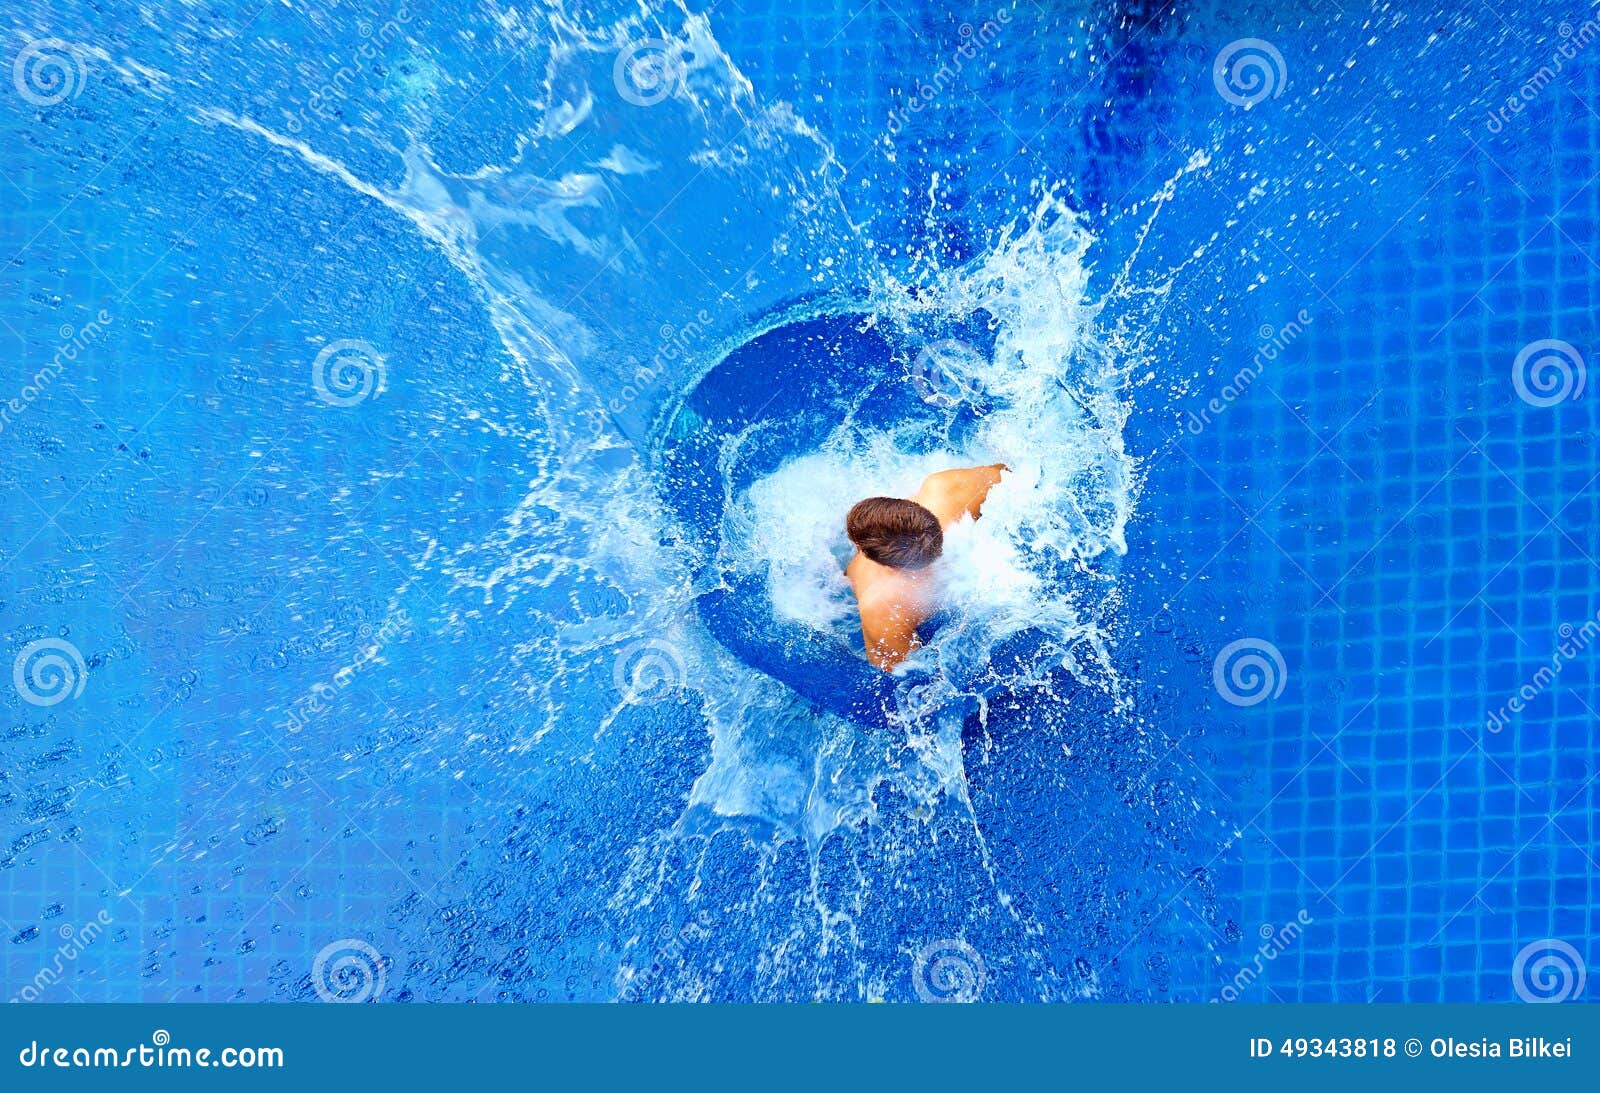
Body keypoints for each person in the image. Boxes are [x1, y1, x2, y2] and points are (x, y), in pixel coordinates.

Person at [844, 464, 1008, 671]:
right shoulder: (945, 488)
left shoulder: (880, 606)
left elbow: (908, 679)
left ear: (889, 567)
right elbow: (1024, 477)